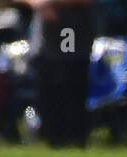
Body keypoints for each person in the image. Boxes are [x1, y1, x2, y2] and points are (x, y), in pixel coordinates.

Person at [23, 0, 93, 148]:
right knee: (47, 93)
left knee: (72, 88)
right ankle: (52, 138)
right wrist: (39, 4)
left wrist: (52, 3)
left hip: (73, 34)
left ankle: (74, 139)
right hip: (44, 42)